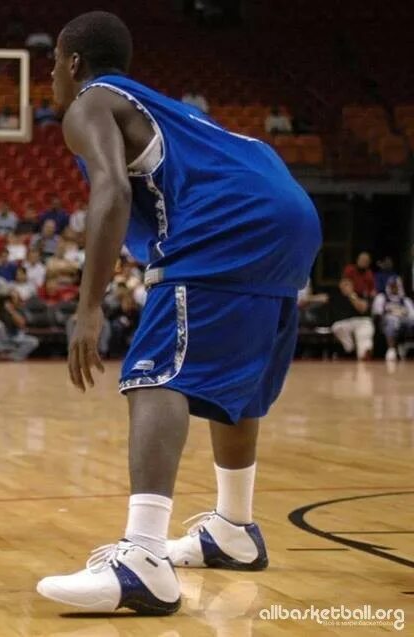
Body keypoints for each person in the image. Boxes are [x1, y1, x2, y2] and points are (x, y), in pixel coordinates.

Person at [36, 12, 321, 615]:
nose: (52, 77)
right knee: (232, 389)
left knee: (153, 374)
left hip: (229, 224)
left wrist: (88, 309)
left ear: (74, 63)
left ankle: (143, 559)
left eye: (54, 64)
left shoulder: (91, 101)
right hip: (289, 213)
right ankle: (233, 531)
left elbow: (110, 189)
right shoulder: (162, 107)